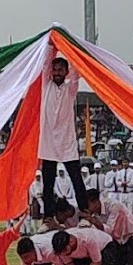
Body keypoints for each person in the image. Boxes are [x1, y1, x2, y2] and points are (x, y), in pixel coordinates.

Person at [39, 55, 88, 220]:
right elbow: (45, 63)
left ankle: (85, 215)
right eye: (55, 70)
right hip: (48, 144)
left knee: (77, 181)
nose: (57, 73)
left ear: (66, 72)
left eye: (60, 70)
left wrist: (69, 47)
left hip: (67, 143)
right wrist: (51, 44)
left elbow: (76, 71)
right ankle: (48, 218)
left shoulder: (70, 89)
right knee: (48, 184)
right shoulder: (46, 86)